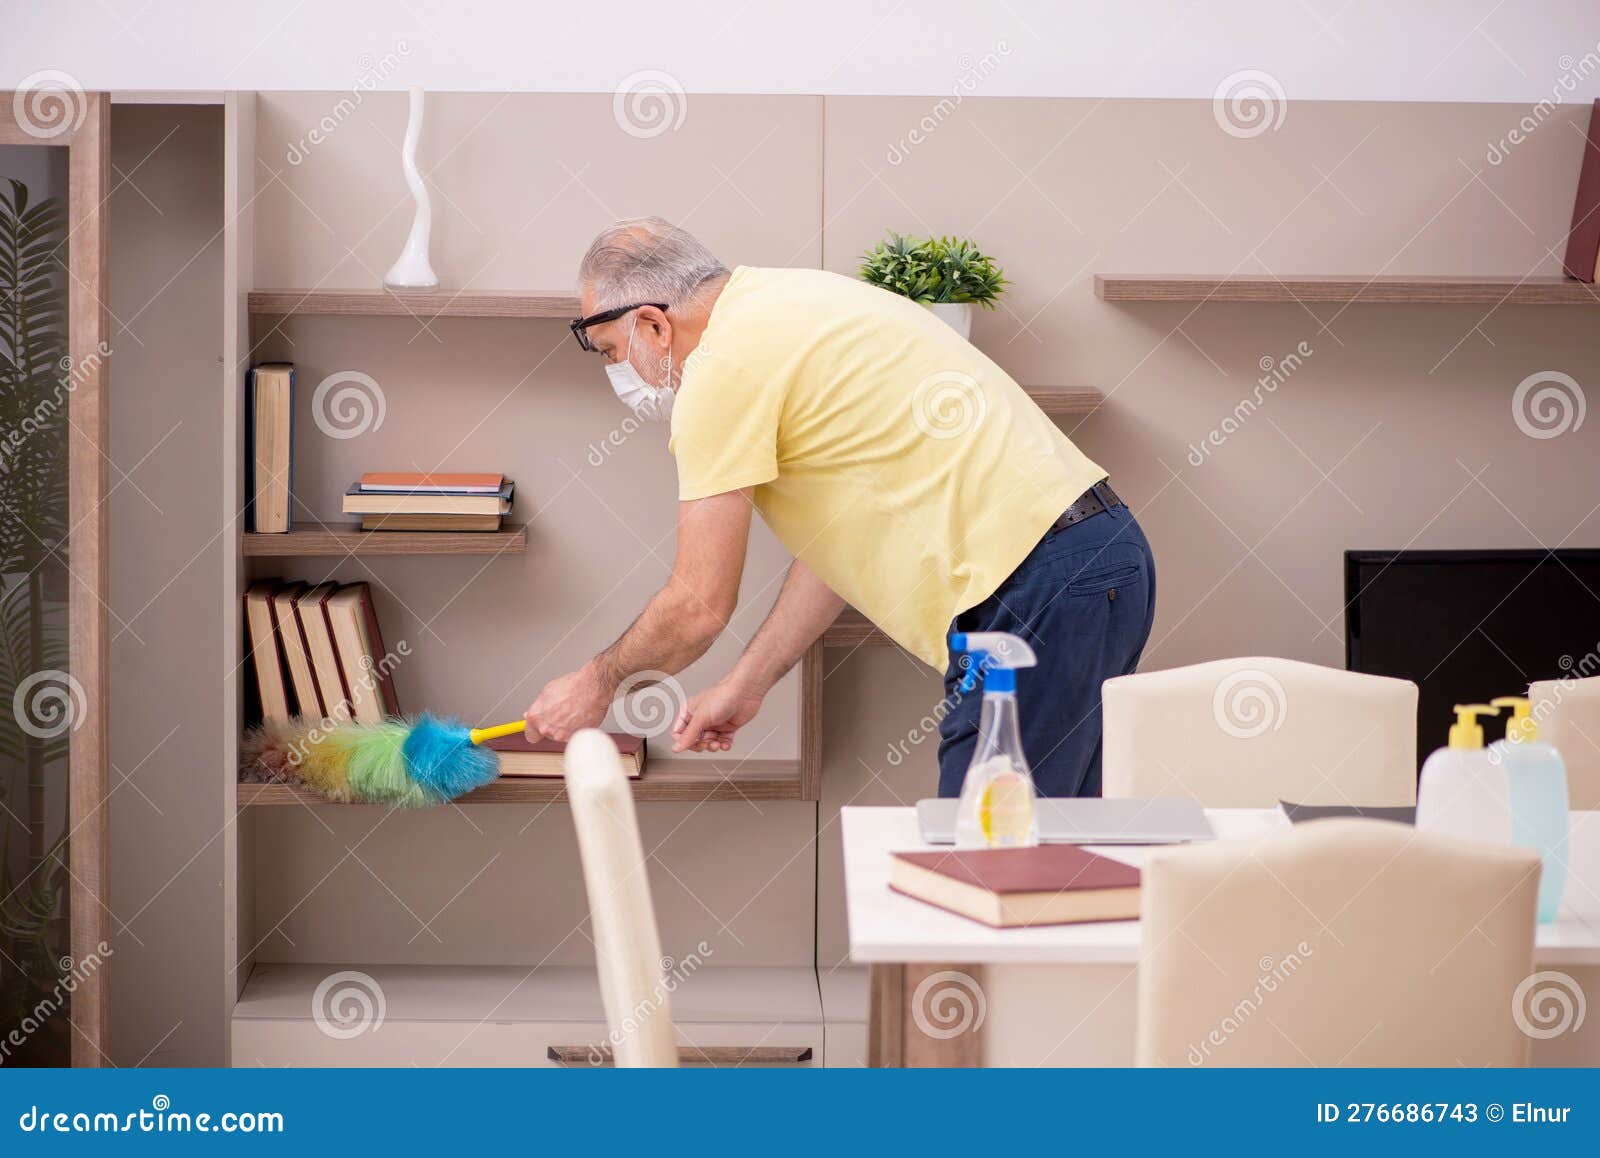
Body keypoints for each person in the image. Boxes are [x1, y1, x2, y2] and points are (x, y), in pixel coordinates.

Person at [523, 217, 1155, 797]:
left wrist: (595, 683)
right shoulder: (797, 300)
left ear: (654, 324)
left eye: (611, 351)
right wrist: (749, 682)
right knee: (1057, 856)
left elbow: (698, 605)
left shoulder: (719, 372)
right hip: (1098, 565)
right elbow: (838, 545)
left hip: (1035, 591)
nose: (618, 371)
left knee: (987, 863)